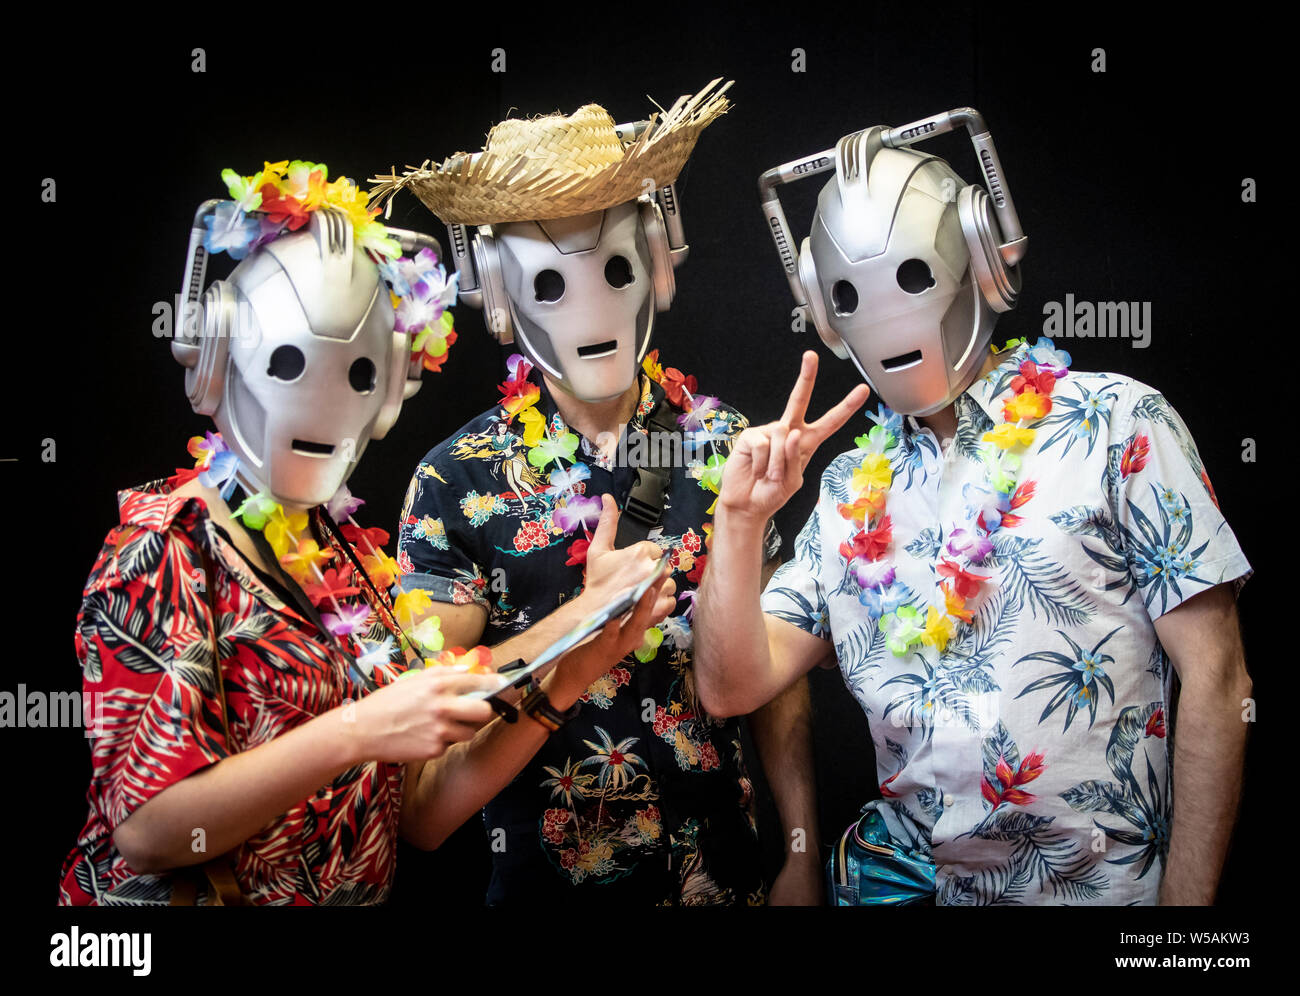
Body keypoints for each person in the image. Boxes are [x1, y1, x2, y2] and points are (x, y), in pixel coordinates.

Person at [59, 159, 671, 906]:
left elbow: (421, 813)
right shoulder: (166, 547)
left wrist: (569, 667)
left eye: (357, 376)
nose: (324, 404)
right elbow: (149, 831)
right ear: (218, 360)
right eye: (289, 363)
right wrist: (358, 728)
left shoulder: (341, 558)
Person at [695, 110, 1253, 905]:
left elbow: (1219, 675)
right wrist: (739, 523)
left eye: (913, 273)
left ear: (983, 257)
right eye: (848, 290)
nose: (887, 311)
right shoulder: (850, 488)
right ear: (822, 304)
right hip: (898, 887)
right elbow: (730, 688)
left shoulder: (1119, 422)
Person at [372, 81, 824, 905]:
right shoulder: (454, 478)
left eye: (613, 263)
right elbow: (426, 756)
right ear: (501, 293)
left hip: (724, 879)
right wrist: (575, 633)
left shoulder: (724, 442)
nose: (587, 300)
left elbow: (776, 667)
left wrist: (800, 849)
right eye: (547, 281)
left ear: (655, 258)